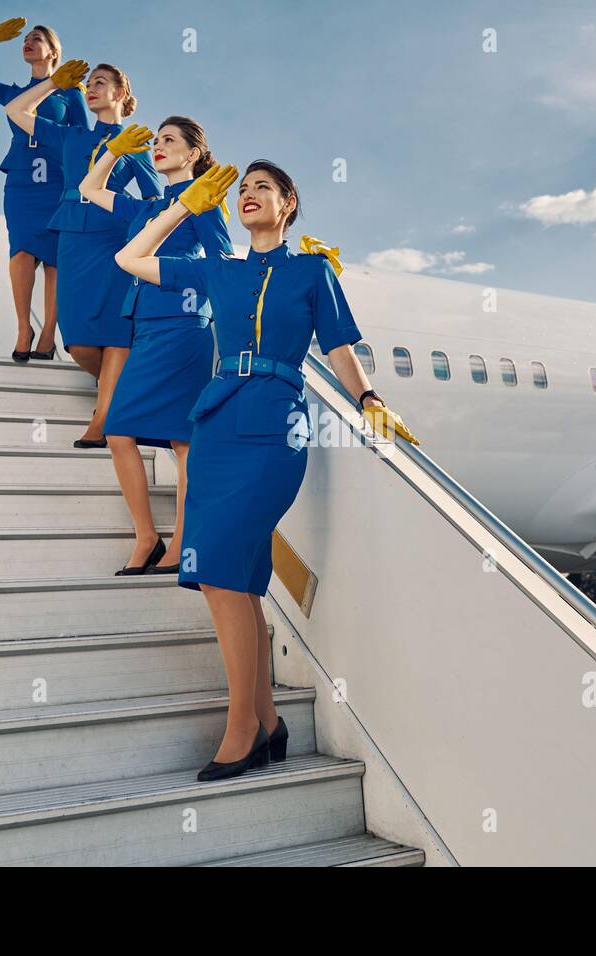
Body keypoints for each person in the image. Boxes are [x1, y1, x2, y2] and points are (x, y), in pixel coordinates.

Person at [114, 160, 418, 781]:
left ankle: (243, 726)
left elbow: (338, 348)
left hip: (275, 425)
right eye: (242, 188)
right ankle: (268, 721)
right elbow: (130, 260)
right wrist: (182, 207)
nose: (249, 194)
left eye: (264, 188)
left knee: (223, 568)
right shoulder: (217, 269)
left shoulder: (312, 269)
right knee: (237, 578)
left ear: (289, 204)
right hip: (216, 423)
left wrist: (370, 401)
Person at [80, 116, 231, 575]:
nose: (159, 147)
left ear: (192, 154)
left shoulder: (203, 204)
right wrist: (114, 151)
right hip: (145, 327)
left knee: (181, 441)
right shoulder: (145, 208)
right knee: (119, 431)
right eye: (156, 140)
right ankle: (147, 536)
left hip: (184, 325)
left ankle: (181, 542)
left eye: (170, 141)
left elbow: (221, 263)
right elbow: (89, 189)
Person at [7, 60, 162, 444]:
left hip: (113, 239)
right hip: (72, 237)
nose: (90, 88)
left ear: (120, 94)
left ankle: (102, 419)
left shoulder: (136, 142)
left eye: (100, 82)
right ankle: (115, 392)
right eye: (87, 83)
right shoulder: (71, 136)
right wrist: (51, 83)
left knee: (115, 332)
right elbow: (15, 111)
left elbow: (154, 199)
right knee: (76, 339)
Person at [0, 17, 89, 362]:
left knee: (56, 261)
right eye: (25, 38)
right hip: (21, 181)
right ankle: (23, 327)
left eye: (36, 38)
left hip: (58, 181)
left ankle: (48, 333)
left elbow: (82, 142)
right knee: (21, 251)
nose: (27, 41)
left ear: (53, 51)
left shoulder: (70, 92)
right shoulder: (14, 93)